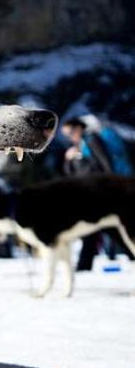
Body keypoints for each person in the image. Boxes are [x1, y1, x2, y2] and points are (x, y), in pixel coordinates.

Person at [61, 115, 134, 270]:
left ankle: (84, 265)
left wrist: (112, 187)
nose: (70, 136)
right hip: (90, 194)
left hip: (101, 193)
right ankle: (86, 264)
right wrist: (69, 159)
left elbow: (105, 163)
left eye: (71, 131)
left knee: (98, 226)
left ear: (80, 127)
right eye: (66, 134)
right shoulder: (78, 148)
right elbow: (71, 175)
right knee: (110, 227)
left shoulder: (92, 140)